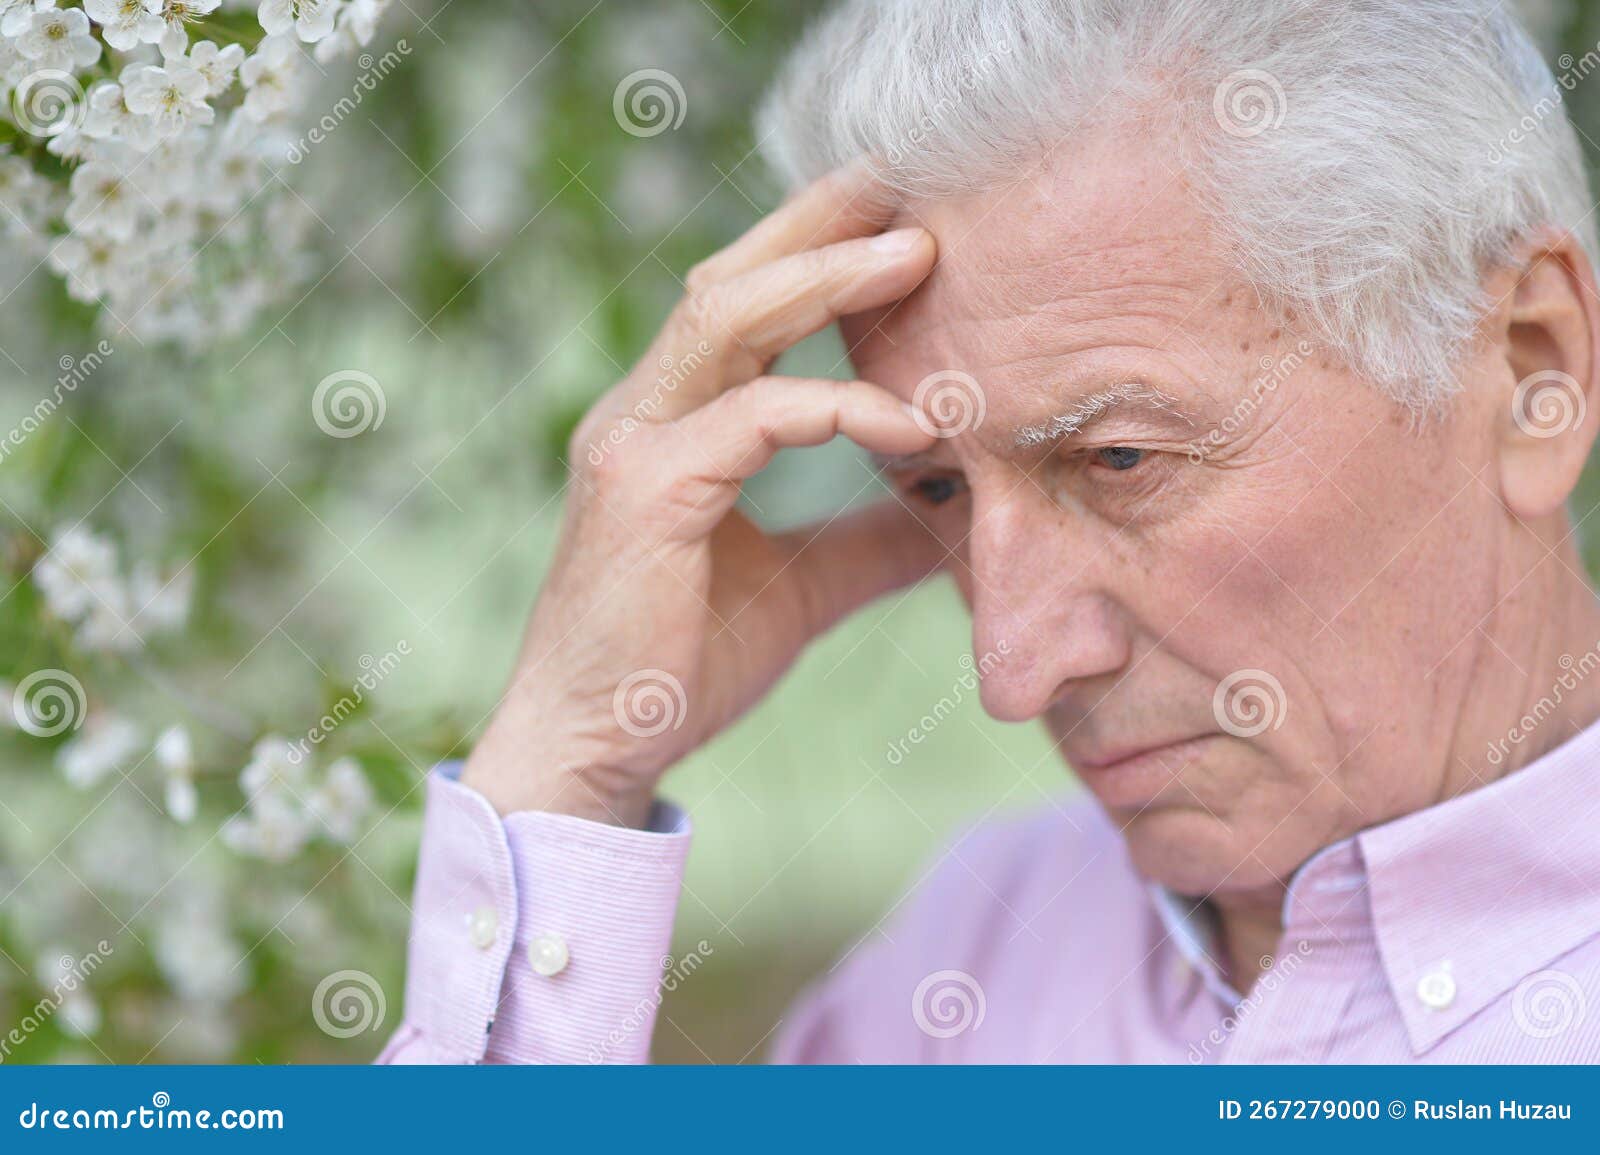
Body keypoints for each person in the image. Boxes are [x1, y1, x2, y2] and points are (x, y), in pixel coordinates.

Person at [381, 0, 1600, 1062]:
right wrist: (572, 766)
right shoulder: (969, 954)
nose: (1011, 669)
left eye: (1121, 458)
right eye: (935, 490)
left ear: (1527, 370)